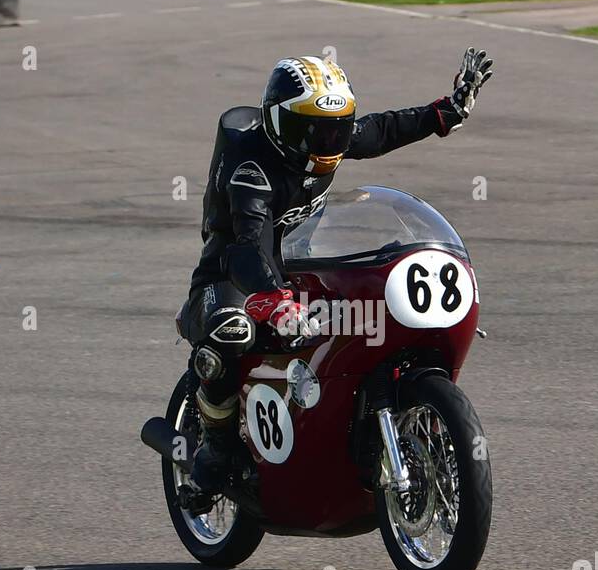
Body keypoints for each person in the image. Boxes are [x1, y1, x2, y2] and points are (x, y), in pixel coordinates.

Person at [182, 48, 494, 496]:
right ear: (277, 122)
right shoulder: (252, 169)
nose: (326, 143)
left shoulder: (327, 139)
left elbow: (383, 129)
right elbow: (247, 245)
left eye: (336, 129)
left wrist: (444, 112)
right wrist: (272, 298)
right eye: (311, 131)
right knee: (230, 331)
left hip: (298, 266)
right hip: (231, 272)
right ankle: (214, 449)